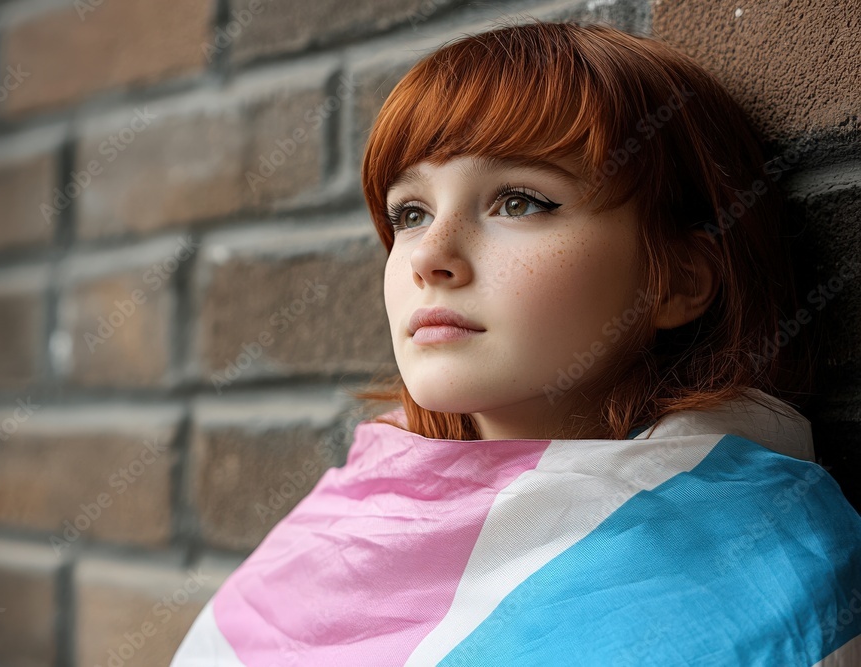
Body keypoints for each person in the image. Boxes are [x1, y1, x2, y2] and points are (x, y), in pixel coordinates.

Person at [170, 19, 861, 666]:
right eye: (410, 212)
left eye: (520, 201)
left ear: (679, 279)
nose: (430, 256)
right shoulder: (344, 521)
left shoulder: (770, 562)